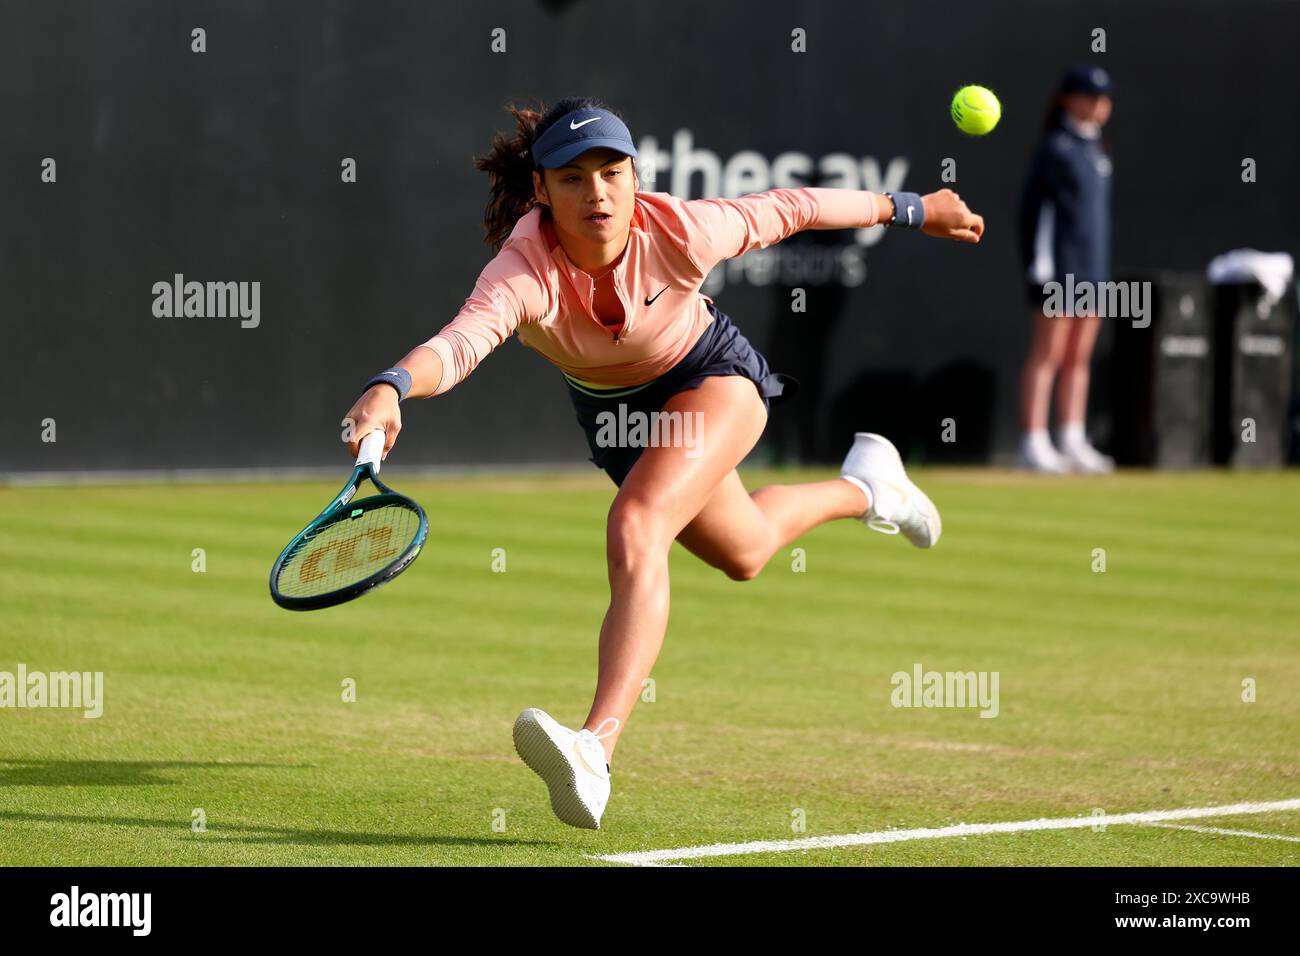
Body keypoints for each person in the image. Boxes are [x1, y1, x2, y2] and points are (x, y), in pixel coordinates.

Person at [341, 96, 984, 829]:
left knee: (638, 521)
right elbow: (459, 344)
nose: (598, 193)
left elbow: (796, 205)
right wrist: (393, 384)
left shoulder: (678, 229)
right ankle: (870, 486)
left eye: (613, 171)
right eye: (574, 178)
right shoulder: (522, 271)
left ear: (635, 175)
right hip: (616, 419)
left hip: (711, 378)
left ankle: (595, 749)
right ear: (541, 190)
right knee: (744, 550)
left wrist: (912, 208)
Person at [1016, 65, 1117, 473]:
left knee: (1080, 356)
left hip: (1094, 271)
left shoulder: (1097, 150)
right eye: (1090, 95)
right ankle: (1033, 441)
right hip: (1059, 270)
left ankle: (1073, 438)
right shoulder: (1054, 150)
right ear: (1067, 99)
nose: (1099, 105)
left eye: (1104, 97)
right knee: (1049, 355)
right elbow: (1033, 214)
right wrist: (1040, 268)